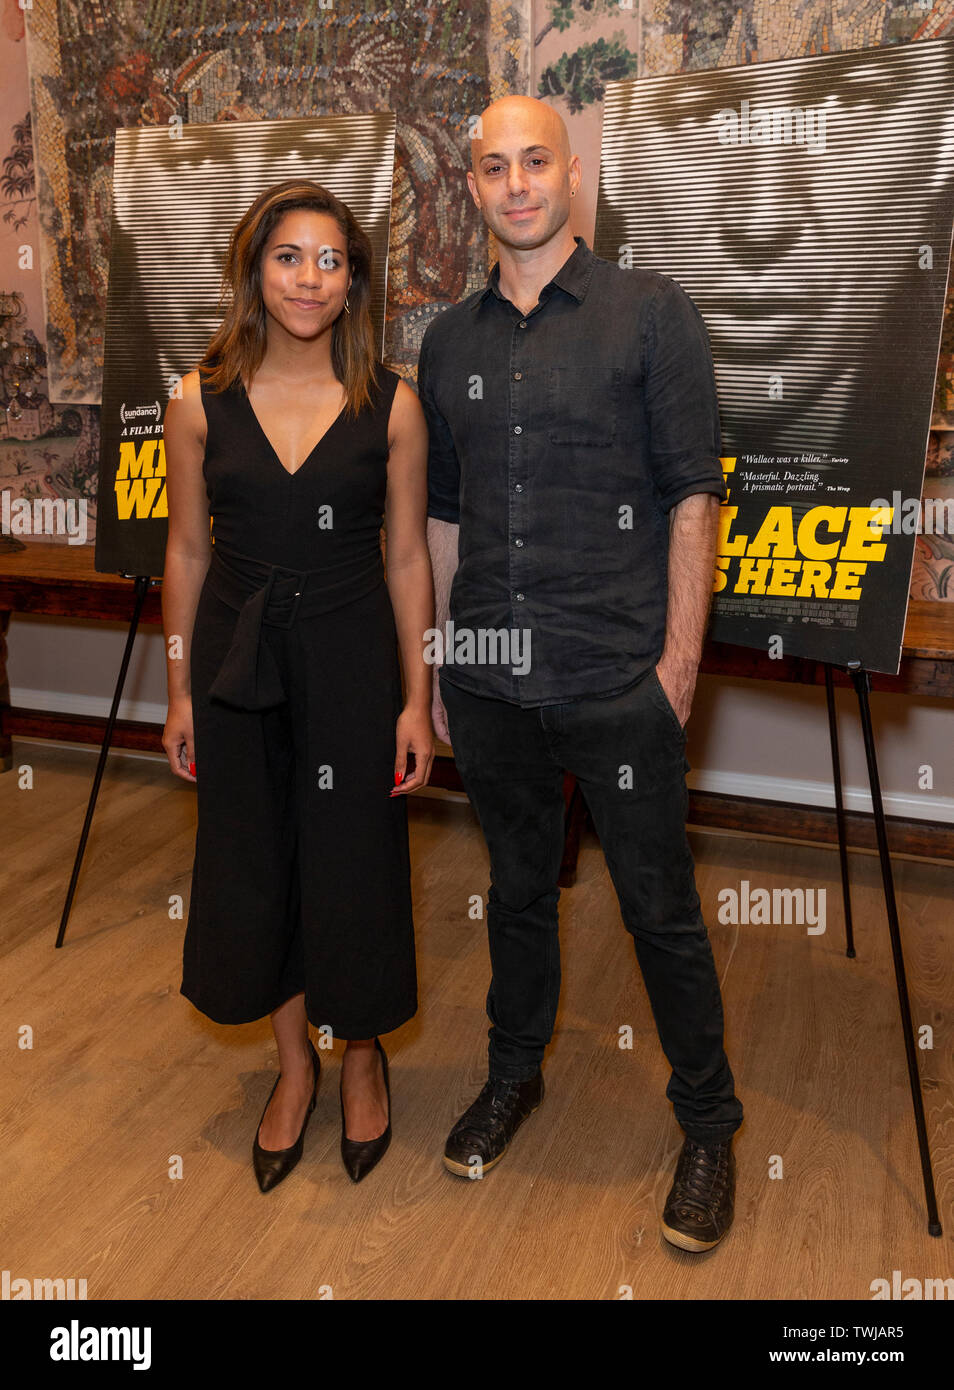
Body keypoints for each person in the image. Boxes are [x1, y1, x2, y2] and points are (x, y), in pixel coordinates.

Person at [419, 96, 743, 1251]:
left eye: (536, 162)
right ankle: (516, 1076)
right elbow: (445, 518)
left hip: (619, 680)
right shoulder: (446, 342)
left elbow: (693, 497)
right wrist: (449, 663)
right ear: (473, 188)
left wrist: (677, 672)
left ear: (573, 172)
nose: (517, 184)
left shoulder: (651, 315)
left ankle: (708, 1124)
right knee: (513, 895)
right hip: (494, 687)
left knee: (659, 911)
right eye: (495, 167)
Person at [161, 179, 435, 1191]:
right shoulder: (197, 400)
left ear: (353, 278)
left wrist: (417, 698)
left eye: (331, 259)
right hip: (237, 656)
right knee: (254, 856)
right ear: (255, 267)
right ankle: (293, 1068)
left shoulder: (393, 406)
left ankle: (362, 1057)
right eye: (288, 256)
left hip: (353, 653)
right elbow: (188, 553)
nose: (309, 278)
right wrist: (182, 690)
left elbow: (409, 558)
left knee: (354, 857)